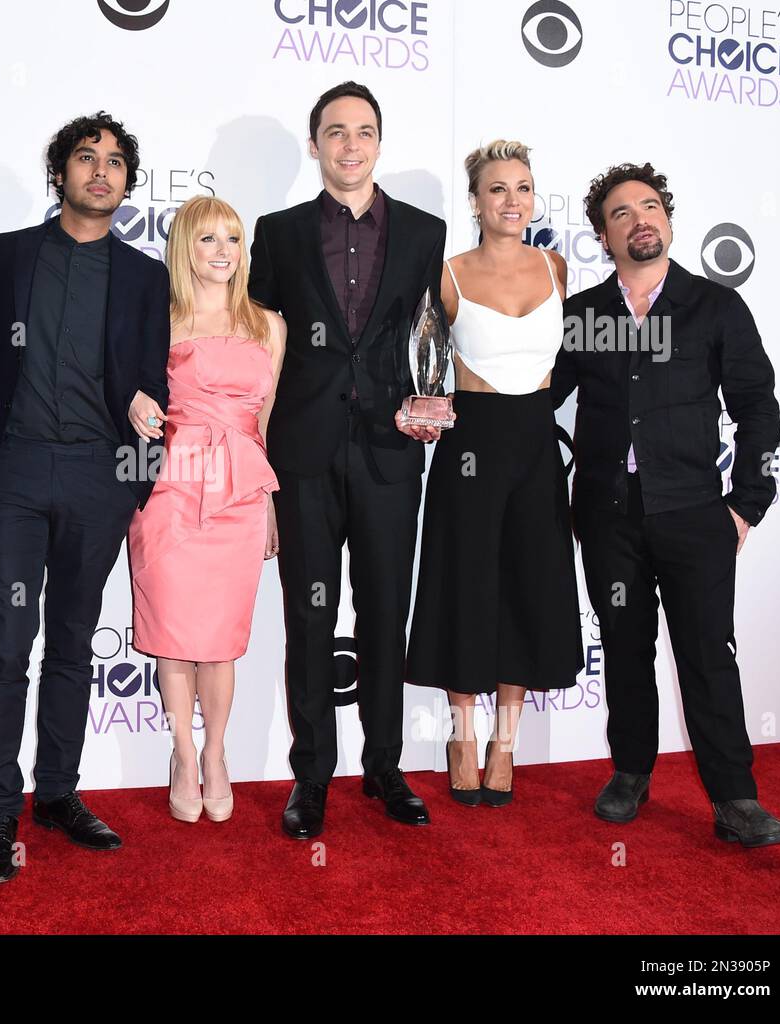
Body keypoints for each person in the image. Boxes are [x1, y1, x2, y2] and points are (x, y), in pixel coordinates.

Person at [0, 112, 170, 883]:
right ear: (61, 173)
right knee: (6, 648)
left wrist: (139, 468)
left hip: (98, 480)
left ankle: (57, 795)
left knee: (74, 643)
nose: (101, 172)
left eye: (114, 162)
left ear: (127, 183)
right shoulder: (7, 257)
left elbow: (153, 382)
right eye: (86, 158)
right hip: (10, 475)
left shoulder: (146, 275)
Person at [552, 162, 780, 847]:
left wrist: (746, 505)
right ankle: (631, 772)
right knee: (625, 647)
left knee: (708, 655)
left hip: (694, 514)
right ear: (603, 235)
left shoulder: (715, 308)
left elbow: (757, 411)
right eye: (622, 212)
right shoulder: (586, 316)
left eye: (649, 206)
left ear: (669, 220)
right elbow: (539, 398)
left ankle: (736, 799)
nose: (639, 219)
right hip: (608, 515)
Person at [248, 81, 444, 839]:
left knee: (385, 614)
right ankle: (313, 779)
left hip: (392, 452)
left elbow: (431, 341)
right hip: (302, 454)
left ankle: (386, 768)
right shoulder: (279, 231)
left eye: (364, 132)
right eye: (336, 131)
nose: (350, 145)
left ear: (380, 143)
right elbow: (265, 347)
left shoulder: (426, 233)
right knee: (310, 613)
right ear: (315, 144)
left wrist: (430, 405)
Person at [402, 140, 582, 807]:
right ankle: (462, 734)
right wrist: (421, 408)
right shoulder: (446, 273)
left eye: (524, 187)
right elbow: (419, 365)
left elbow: (570, 367)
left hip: (536, 446)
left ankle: (506, 744)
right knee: (466, 587)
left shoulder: (558, 268)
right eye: (498, 189)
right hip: (470, 446)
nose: (513, 200)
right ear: (475, 200)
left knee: (527, 590)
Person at [127, 195, 285, 824]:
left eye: (233, 240)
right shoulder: (156, 320)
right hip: (171, 487)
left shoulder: (267, 324)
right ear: (183, 248)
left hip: (240, 492)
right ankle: (182, 754)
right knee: (172, 633)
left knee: (220, 641)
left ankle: (216, 754)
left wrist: (269, 503)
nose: (223, 252)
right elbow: (131, 399)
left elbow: (264, 421)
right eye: (208, 240)